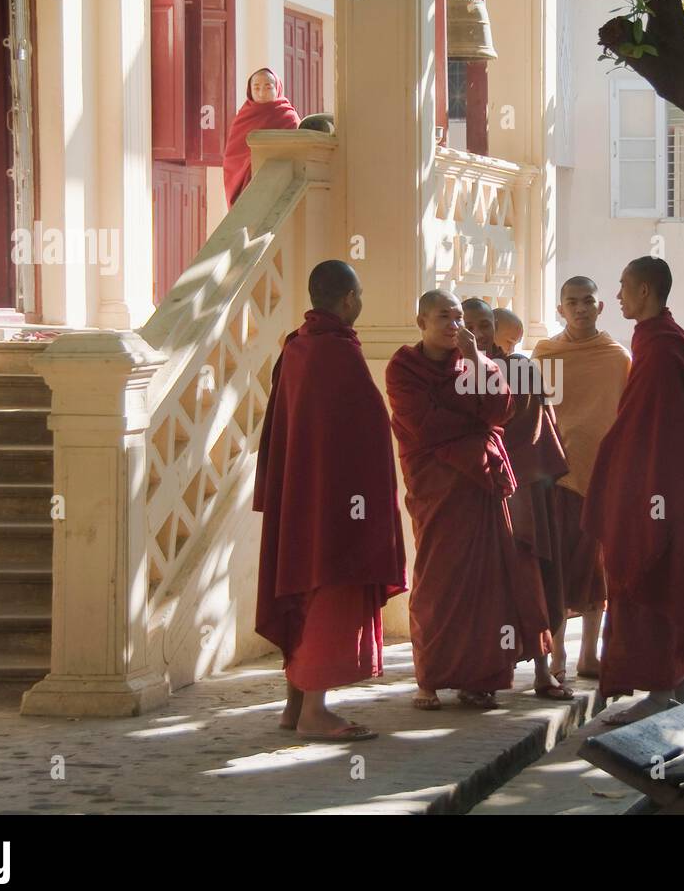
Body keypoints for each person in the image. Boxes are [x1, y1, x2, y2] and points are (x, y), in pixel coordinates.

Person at [253, 259, 407, 741]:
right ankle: (315, 712)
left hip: (304, 498)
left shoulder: (297, 348)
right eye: (358, 295)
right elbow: (360, 430)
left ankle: (294, 704)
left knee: (300, 588)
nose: (360, 303)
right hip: (337, 506)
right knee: (327, 589)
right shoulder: (336, 354)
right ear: (347, 300)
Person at [386, 292, 552, 710]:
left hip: (480, 485)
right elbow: (423, 426)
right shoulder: (403, 367)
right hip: (437, 486)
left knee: (488, 583)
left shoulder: (478, 365)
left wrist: (478, 361)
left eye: (458, 318)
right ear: (420, 320)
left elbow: (501, 411)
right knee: (437, 580)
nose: (454, 325)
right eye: (444, 317)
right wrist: (474, 423)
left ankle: (480, 678)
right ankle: (430, 677)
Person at [582, 257, 684, 724]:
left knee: (649, 575)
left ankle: (661, 692)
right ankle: (677, 684)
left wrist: (624, 483)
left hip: (656, 494)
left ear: (643, 290)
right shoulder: (664, 340)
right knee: (663, 582)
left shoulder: (661, 348)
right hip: (663, 493)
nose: (615, 297)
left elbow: (653, 430)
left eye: (622, 287)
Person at [462, 299, 573, 700]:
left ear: (497, 329)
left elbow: (531, 433)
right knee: (486, 586)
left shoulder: (521, 369)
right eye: (469, 325)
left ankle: (543, 673)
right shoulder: (454, 371)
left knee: (532, 578)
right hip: (477, 492)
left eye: (485, 324)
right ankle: (485, 677)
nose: (478, 332)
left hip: (522, 490)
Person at [531, 277, 630, 681]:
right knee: (555, 569)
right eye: (572, 302)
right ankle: (556, 659)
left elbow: (627, 417)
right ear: (560, 309)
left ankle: (590, 655)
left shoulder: (616, 358)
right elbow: (532, 413)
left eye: (588, 301)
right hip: (556, 476)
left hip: (602, 477)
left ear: (600, 306)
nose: (580, 309)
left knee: (595, 569)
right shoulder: (545, 354)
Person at [223, 68, 301, 207]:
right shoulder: (243, 116)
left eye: (267, 87)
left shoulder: (288, 116)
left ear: (277, 88)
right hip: (246, 182)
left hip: (277, 180)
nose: (261, 93)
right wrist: (248, 163)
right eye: (256, 88)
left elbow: (296, 150)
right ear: (250, 90)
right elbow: (233, 157)